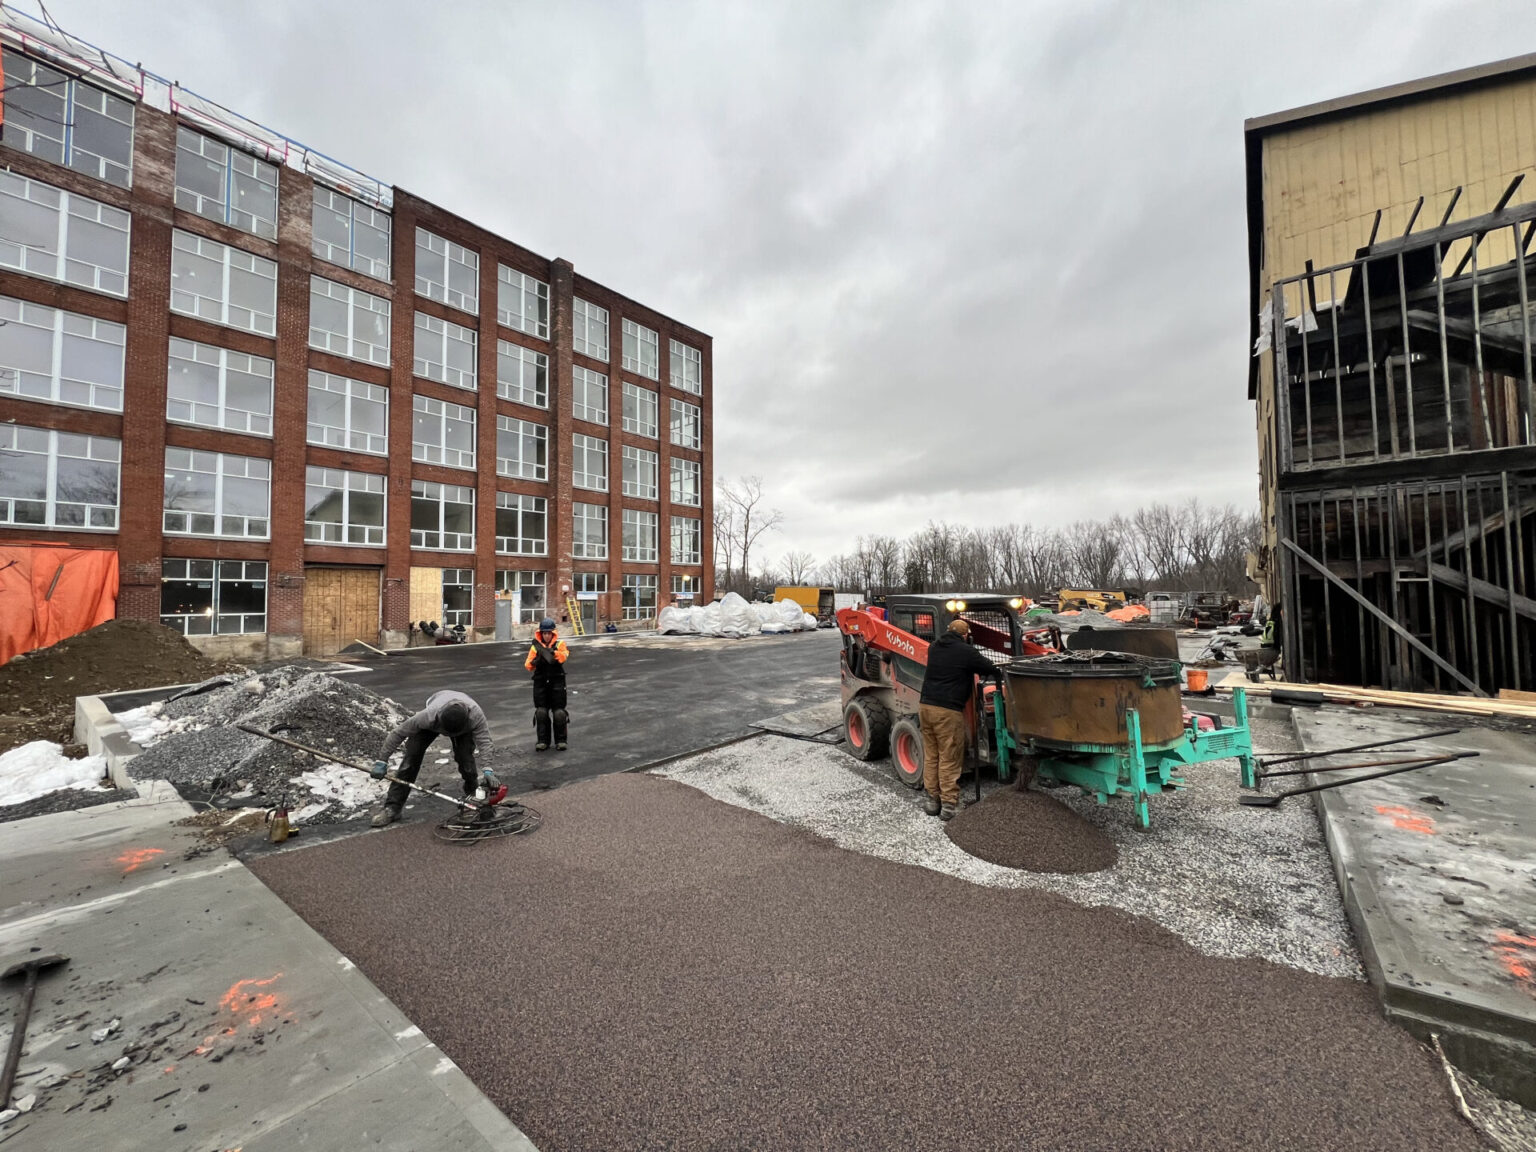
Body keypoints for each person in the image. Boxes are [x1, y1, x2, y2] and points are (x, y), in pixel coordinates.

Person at [368, 690, 495, 827]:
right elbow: (397, 733)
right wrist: (382, 760)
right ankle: (393, 808)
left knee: (465, 760)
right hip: (435, 714)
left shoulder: (475, 716)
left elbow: (485, 742)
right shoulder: (427, 716)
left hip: (462, 724)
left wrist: (487, 769)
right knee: (410, 760)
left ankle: (473, 797)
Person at [918, 618, 1003, 821]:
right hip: (947, 711)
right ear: (966, 636)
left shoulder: (934, 647)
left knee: (932, 755)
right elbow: (988, 667)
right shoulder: (966, 651)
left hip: (925, 707)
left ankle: (932, 801)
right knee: (949, 756)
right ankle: (948, 805)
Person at [524, 616, 570, 751]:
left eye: (549, 633)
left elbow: (564, 656)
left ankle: (561, 741)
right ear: (541, 633)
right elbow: (528, 665)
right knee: (541, 712)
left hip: (557, 682)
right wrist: (536, 661)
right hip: (540, 683)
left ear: (553, 633)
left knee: (559, 713)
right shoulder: (535, 647)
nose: (547, 636)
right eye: (544, 633)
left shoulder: (560, 644)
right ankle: (543, 741)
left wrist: (553, 653)